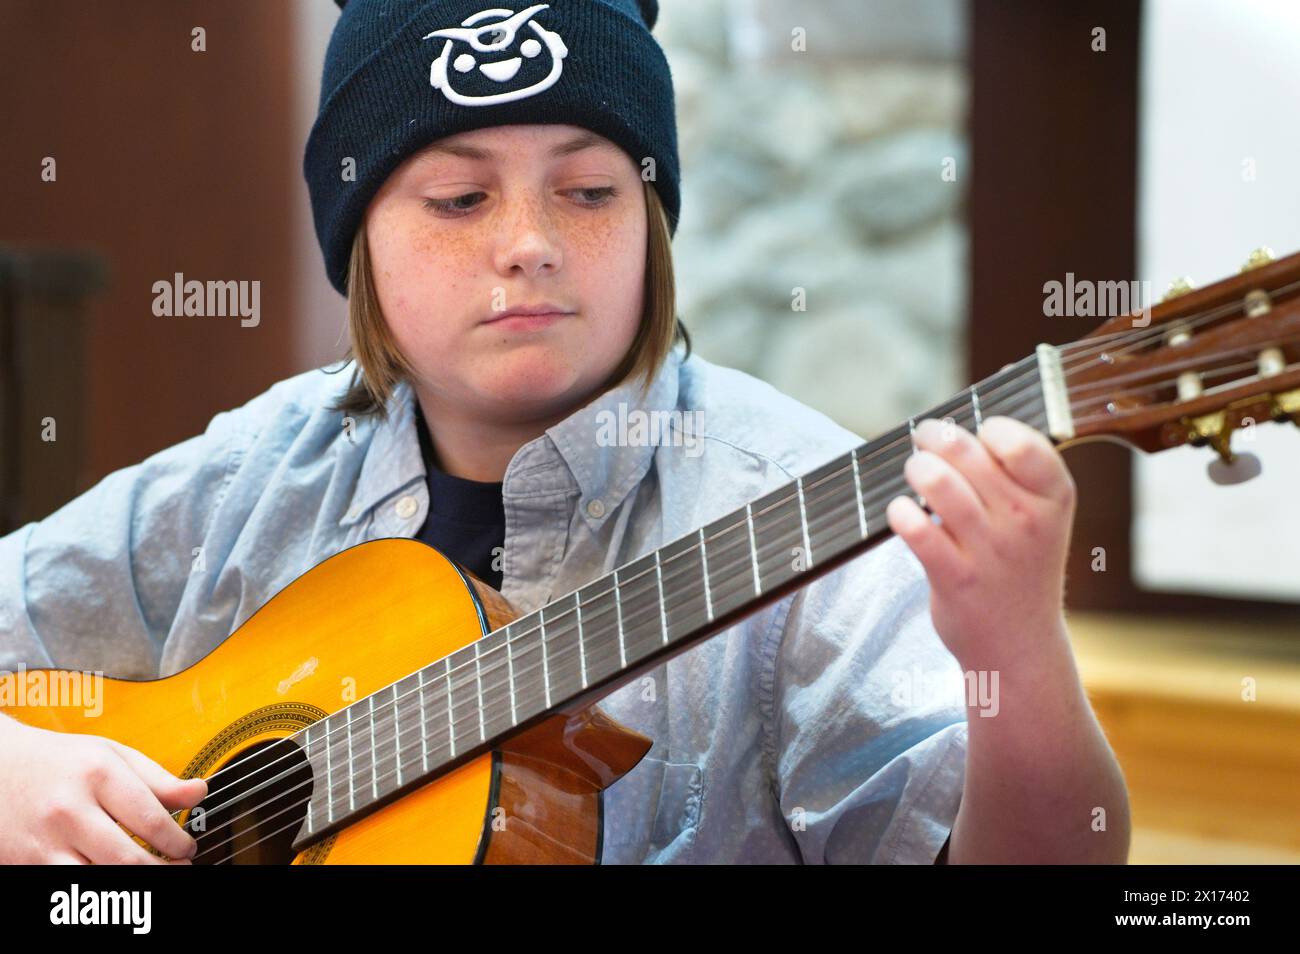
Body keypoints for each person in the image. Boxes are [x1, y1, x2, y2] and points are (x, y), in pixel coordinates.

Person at [0, 0, 1129, 864]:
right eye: (458, 200)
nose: (530, 242)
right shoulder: (247, 475)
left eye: (589, 192)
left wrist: (1013, 652)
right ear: (360, 247)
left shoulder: (799, 503)